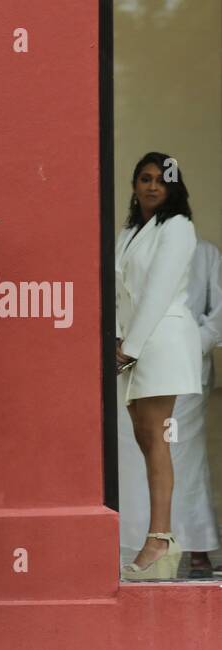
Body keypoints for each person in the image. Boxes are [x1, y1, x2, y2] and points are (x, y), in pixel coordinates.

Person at [115, 153, 201, 580]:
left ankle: (160, 541)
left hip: (160, 342)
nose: (152, 187)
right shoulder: (131, 231)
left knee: (156, 437)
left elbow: (159, 290)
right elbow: (121, 291)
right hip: (133, 345)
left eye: (160, 181)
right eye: (144, 178)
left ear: (172, 187)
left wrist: (128, 347)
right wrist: (118, 338)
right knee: (147, 439)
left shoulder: (178, 227)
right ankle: (159, 540)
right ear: (134, 185)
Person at [117, 237, 222, 576]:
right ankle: (132, 543)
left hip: (184, 365)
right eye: (145, 180)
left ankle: (195, 544)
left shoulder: (205, 252)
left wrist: (194, 343)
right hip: (132, 365)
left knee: (184, 456)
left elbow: (218, 313)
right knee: (134, 454)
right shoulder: (123, 246)